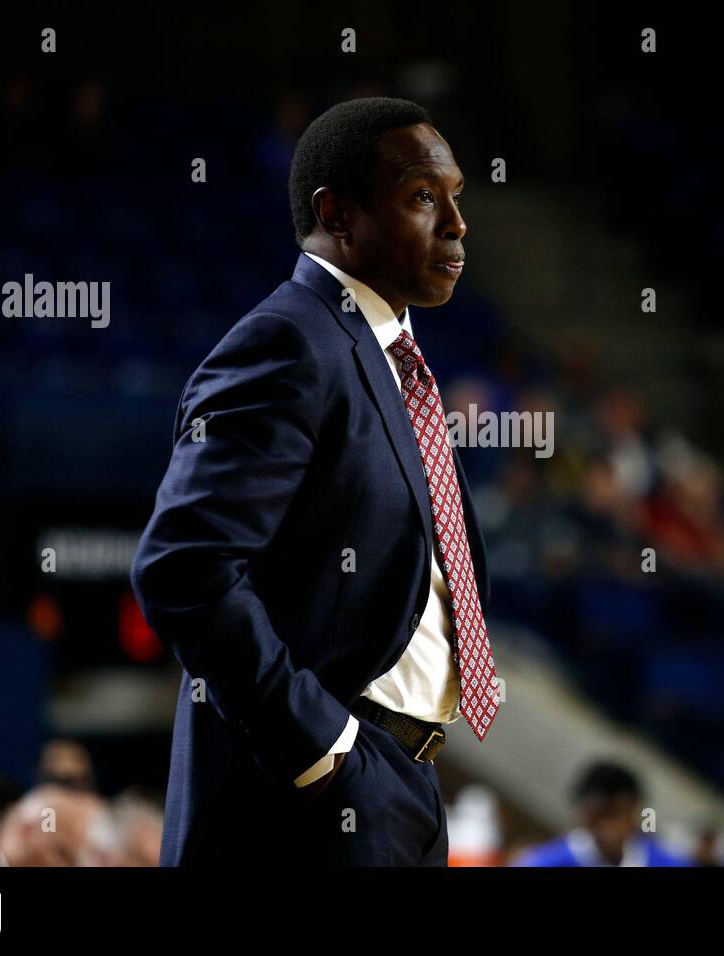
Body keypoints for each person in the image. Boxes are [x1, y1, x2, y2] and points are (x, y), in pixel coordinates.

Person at [132, 97, 500, 866]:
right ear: (339, 215)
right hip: (310, 796)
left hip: (409, 781)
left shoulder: (391, 357)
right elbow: (183, 567)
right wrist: (322, 749)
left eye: (457, 196)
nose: (457, 224)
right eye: (423, 198)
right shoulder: (290, 342)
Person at [511, 761, 691, 866]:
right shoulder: (543, 862)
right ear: (582, 815)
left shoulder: (668, 863)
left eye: (618, 814)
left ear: (636, 813)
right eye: (600, 815)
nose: (609, 827)